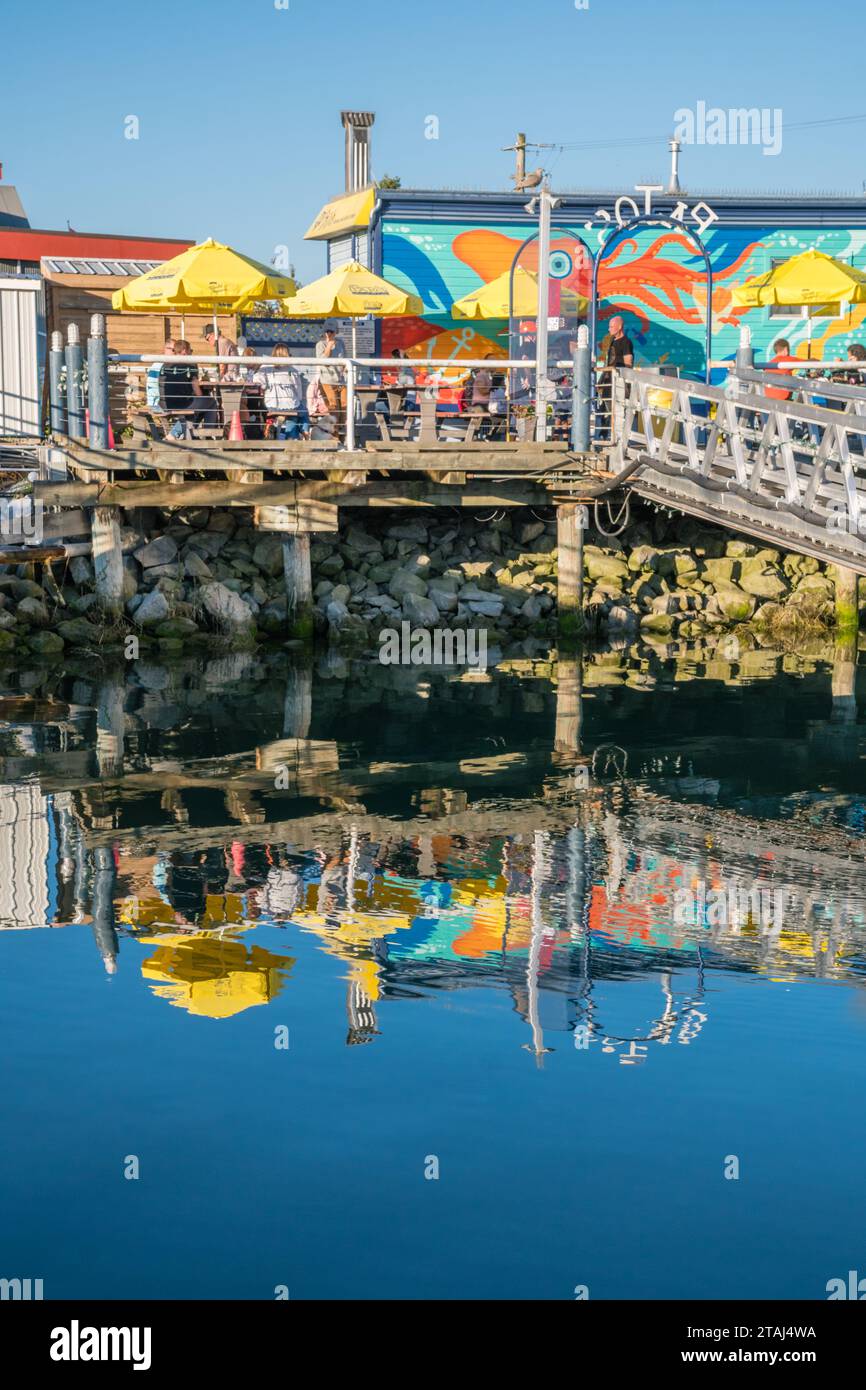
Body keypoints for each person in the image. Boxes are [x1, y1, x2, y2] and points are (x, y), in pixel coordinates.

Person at [159, 339, 219, 438]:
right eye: (190, 351)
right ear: (184, 351)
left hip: (164, 404)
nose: (191, 353)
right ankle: (208, 435)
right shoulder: (190, 364)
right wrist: (201, 397)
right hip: (182, 404)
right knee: (211, 402)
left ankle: (184, 436)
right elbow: (195, 387)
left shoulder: (165, 364)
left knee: (196, 408)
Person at [255, 345, 308, 439]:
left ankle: (296, 433)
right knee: (303, 411)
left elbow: (260, 383)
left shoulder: (265, 367)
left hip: (272, 405)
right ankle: (302, 433)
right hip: (290, 404)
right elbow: (298, 392)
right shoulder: (292, 370)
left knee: (296, 413)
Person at [598, 315, 634, 437]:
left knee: (617, 411)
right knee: (605, 410)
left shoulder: (626, 342)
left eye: (611, 326)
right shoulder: (613, 341)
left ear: (619, 327)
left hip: (618, 383)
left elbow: (628, 363)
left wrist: (617, 371)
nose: (609, 329)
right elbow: (609, 362)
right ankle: (606, 436)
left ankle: (617, 437)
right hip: (608, 382)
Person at [315, 323, 347, 430]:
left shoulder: (340, 343)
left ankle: (344, 434)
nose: (328, 334)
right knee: (334, 410)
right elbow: (324, 361)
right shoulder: (320, 344)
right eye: (326, 331)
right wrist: (329, 346)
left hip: (341, 381)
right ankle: (334, 434)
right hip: (327, 381)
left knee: (345, 408)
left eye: (331, 331)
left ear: (335, 332)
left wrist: (345, 369)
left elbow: (345, 359)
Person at [147, 339, 173, 410]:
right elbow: (152, 386)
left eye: (174, 349)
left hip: (167, 402)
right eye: (170, 349)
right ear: (164, 349)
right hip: (158, 404)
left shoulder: (172, 364)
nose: (172, 351)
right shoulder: (159, 364)